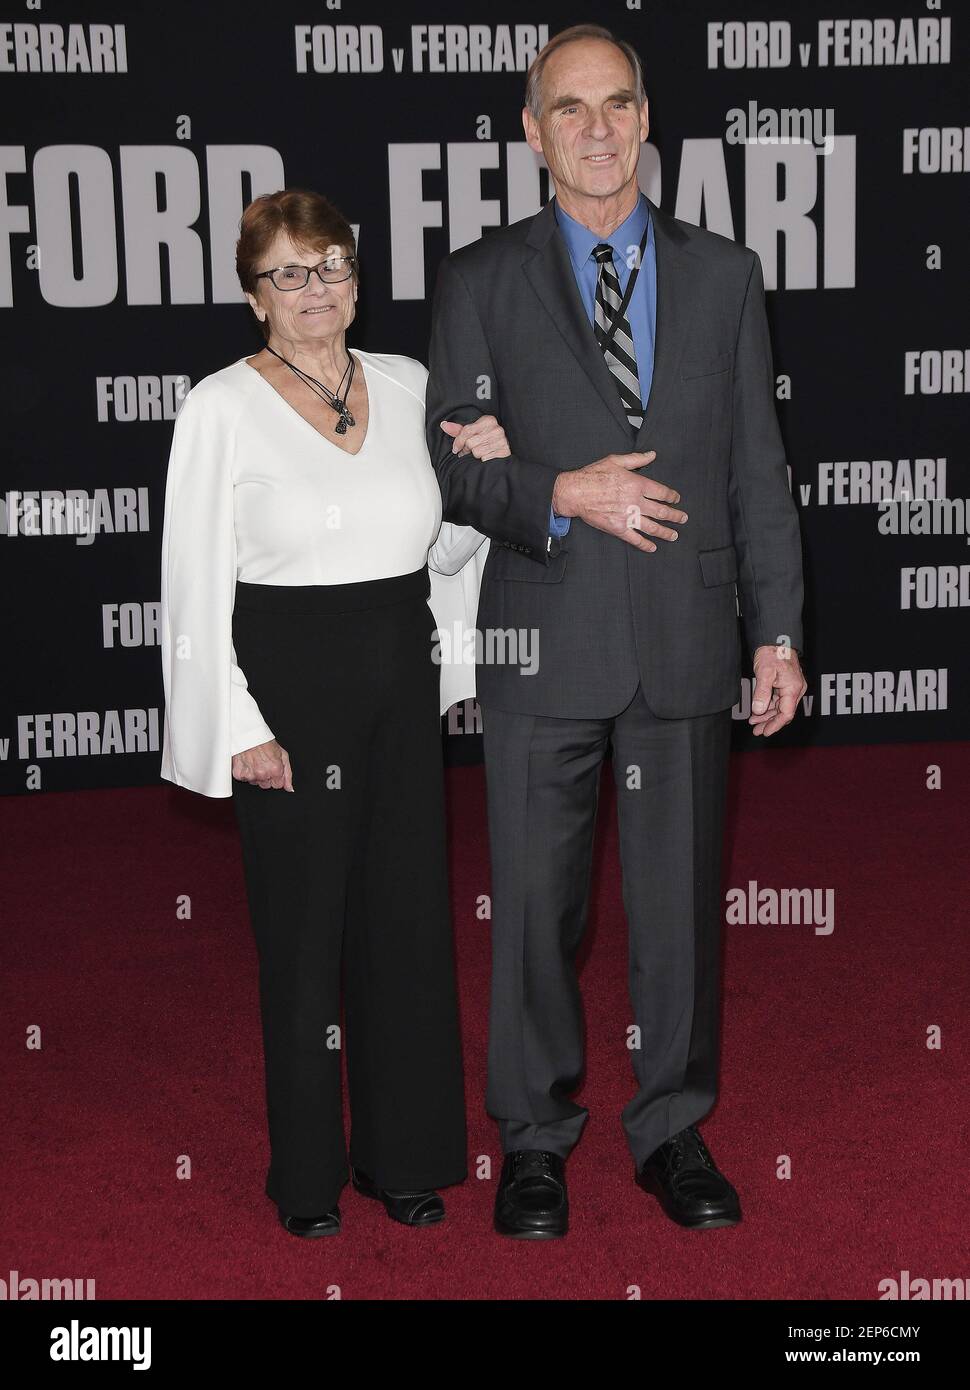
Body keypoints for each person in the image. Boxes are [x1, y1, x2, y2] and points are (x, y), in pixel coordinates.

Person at [426, 25, 806, 1239]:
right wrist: (557, 489)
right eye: (569, 109)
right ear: (531, 134)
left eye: (618, 104)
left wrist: (778, 631)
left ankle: (671, 1125)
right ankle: (533, 1141)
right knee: (535, 909)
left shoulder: (725, 273)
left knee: (680, 905)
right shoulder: (479, 280)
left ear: (646, 119)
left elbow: (759, 466)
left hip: (688, 635)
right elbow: (452, 473)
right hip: (542, 636)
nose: (596, 128)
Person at [159, 188, 495, 1237]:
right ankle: (304, 1177)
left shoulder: (405, 385)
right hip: (287, 690)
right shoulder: (219, 405)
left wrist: (481, 489)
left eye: (333, 266)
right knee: (304, 941)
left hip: (397, 676)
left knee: (405, 924)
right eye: (290, 273)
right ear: (252, 292)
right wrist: (238, 721)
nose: (316, 290)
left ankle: (404, 1157)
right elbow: (193, 580)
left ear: (357, 276)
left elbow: (429, 551)